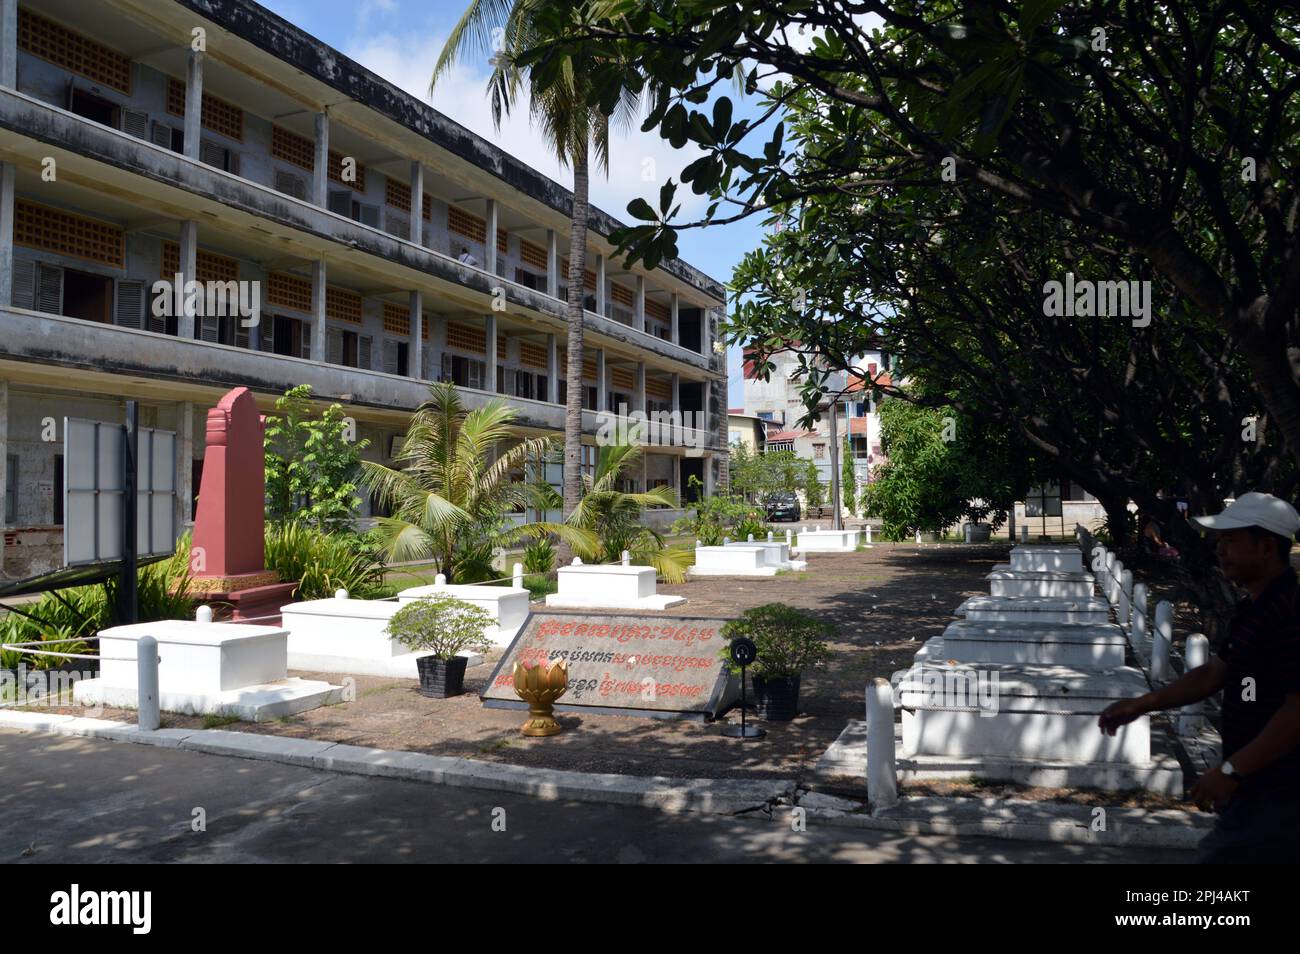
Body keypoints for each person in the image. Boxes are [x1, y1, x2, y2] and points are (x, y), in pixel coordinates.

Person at [1098, 491, 1300, 862]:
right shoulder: (1253, 608)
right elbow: (1214, 674)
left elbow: (1296, 712)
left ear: (1267, 547)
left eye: (1230, 540)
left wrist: (1230, 770)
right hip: (1255, 793)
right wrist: (1143, 704)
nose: (1220, 551)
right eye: (1219, 541)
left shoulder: (1289, 613)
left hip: (1280, 796)